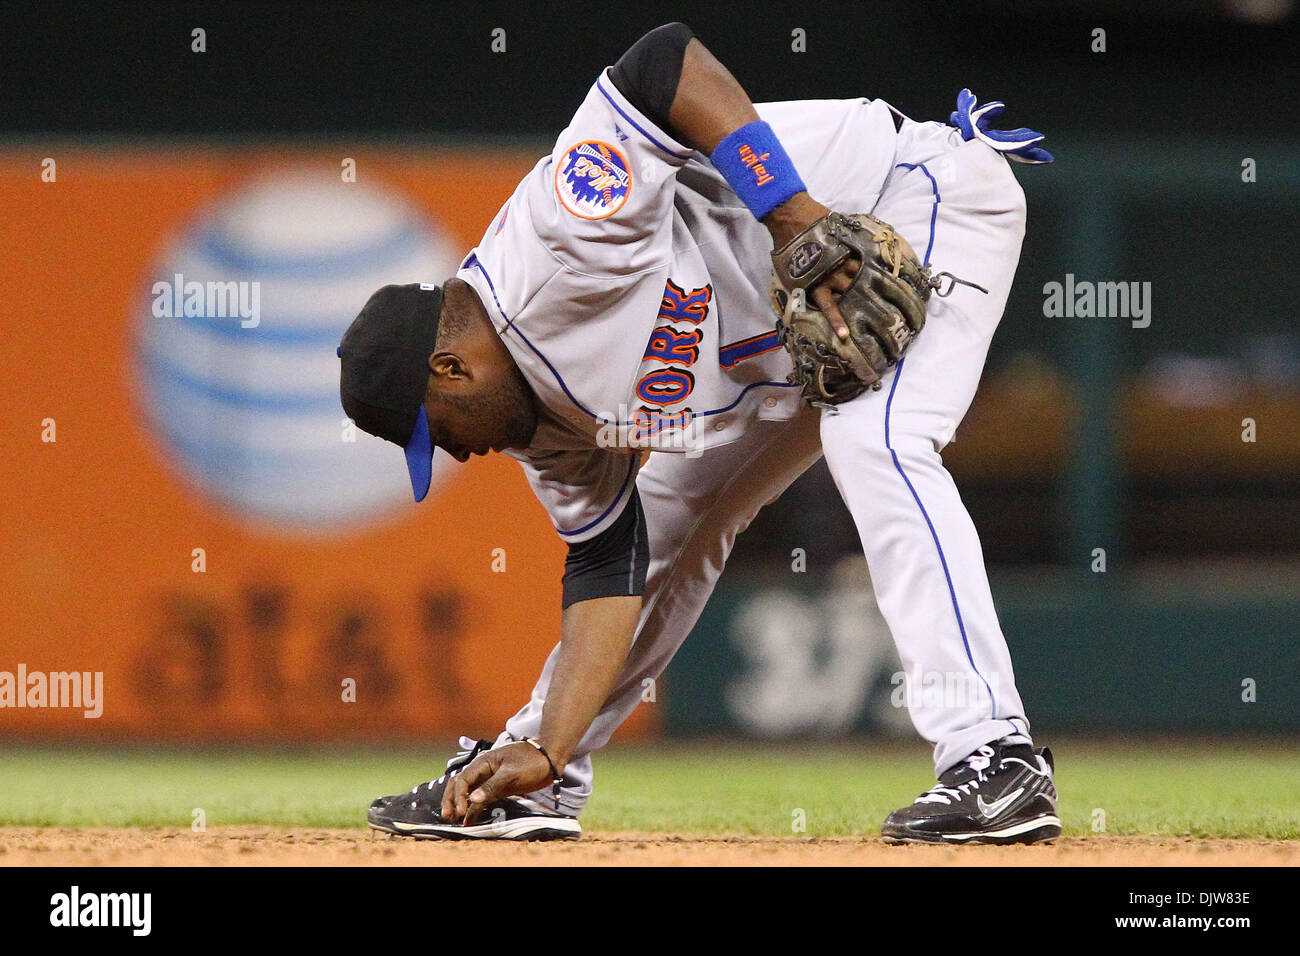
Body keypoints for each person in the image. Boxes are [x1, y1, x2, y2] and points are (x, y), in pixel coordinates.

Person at [339, 22, 1060, 844]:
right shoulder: (541, 430)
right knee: (669, 513)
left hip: (905, 203)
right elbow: (610, 565)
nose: (459, 455)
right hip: (791, 351)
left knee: (877, 441)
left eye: (438, 434)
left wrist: (791, 215)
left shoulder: (556, 242)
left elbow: (663, 60)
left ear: (450, 368)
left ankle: (994, 756)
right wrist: (552, 740)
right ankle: (533, 775)